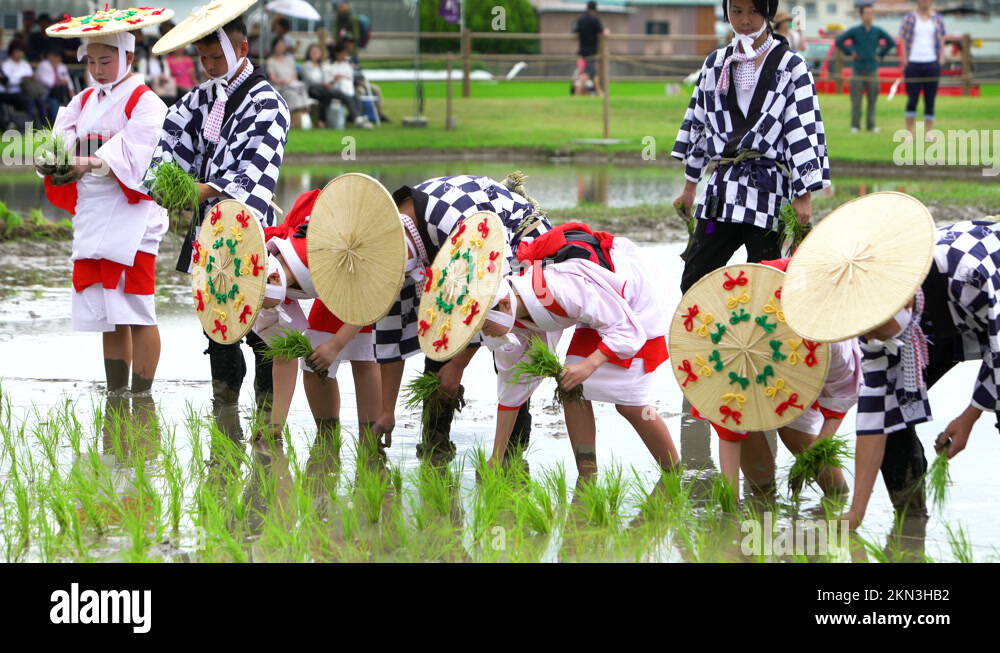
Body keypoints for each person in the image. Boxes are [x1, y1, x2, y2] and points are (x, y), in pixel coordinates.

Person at [779, 195, 999, 530]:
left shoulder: (967, 275)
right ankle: (910, 518)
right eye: (866, 328)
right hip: (936, 320)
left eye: (879, 325)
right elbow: (874, 417)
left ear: (906, 297)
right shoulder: (872, 322)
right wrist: (855, 513)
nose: (874, 336)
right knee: (894, 420)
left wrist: (969, 416)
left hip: (982, 298)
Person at [147, 15, 291, 439]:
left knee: (261, 328)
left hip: (249, 226)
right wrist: (166, 182)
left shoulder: (268, 103)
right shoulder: (202, 98)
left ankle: (268, 423)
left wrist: (199, 189)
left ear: (242, 51)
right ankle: (224, 417)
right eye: (203, 57)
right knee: (218, 328)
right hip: (208, 226)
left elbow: (253, 174)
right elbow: (171, 138)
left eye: (216, 56)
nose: (208, 65)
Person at [372, 174, 552, 462]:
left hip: (517, 246)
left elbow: (487, 297)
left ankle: (510, 455)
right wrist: (386, 410)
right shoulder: (386, 245)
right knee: (438, 334)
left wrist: (457, 366)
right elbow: (389, 330)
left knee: (510, 347)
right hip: (455, 256)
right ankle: (435, 446)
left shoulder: (452, 221)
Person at [481, 223, 681, 475]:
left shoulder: (563, 290)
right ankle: (587, 473)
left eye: (485, 325)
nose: (484, 334)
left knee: (632, 403)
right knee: (571, 388)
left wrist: (589, 365)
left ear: (505, 306)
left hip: (632, 300)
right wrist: (496, 458)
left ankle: (674, 472)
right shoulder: (516, 318)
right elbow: (512, 388)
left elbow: (625, 330)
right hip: (597, 306)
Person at [36, 28, 169, 398]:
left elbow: (138, 153)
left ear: (128, 57)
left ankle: (142, 396)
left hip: (133, 213)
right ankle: (116, 393)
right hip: (94, 212)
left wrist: (88, 162)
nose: (98, 69)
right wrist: (51, 160)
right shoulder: (83, 100)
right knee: (108, 312)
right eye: (91, 62)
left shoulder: (146, 102)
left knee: (136, 306)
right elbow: (59, 140)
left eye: (105, 61)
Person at [670, 0, 830, 293]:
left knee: (768, 284)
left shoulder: (792, 66)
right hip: (721, 193)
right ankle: (706, 340)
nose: (744, 20)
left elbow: (803, 130)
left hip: (768, 192)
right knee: (694, 281)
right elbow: (699, 125)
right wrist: (690, 187)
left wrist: (803, 195)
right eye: (736, 11)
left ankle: (763, 340)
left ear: (767, 12)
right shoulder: (715, 63)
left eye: (753, 11)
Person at [688, 259, 856, 499]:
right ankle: (763, 499)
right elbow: (731, 435)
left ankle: (838, 500)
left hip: (801, 372)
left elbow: (840, 398)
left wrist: (812, 456)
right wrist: (730, 506)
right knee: (754, 455)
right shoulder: (731, 342)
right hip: (741, 356)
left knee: (801, 439)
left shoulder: (832, 341)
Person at [252, 189, 381, 446]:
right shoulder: (266, 278)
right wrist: (275, 426)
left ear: (276, 279)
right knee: (313, 363)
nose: (260, 309)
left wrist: (336, 345)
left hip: (364, 275)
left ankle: (372, 440)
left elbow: (370, 302)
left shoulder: (329, 256)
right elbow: (284, 354)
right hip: (326, 282)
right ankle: (327, 437)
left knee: (364, 356)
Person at [836, 4, 894, 133]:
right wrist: (850, 52)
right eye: (867, 13)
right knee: (856, 100)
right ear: (861, 15)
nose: (869, 15)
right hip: (857, 69)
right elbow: (839, 41)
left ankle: (871, 125)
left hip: (872, 69)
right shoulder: (855, 31)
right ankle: (855, 126)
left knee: (872, 99)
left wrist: (880, 54)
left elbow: (891, 42)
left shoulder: (877, 31)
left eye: (871, 13)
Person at [899, 0, 946, 140]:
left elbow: (942, 38)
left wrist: (942, 57)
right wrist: (904, 59)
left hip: (932, 62)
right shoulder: (909, 18)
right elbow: (903, 39)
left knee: (930, 99)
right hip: (913, 63)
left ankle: (929, 132)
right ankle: (909, 132)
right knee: (912, 99)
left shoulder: (937, 19)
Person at [328, 41, 371, 128]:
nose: (344, 56)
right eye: (343, 53)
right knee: (349, 98)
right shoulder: (331, 66)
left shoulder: (347, 65)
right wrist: (337, 78)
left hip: (348, 89)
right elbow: (329, 80)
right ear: (337, 54)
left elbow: (350, 78)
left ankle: (359, 118)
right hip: (337, 90)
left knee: (357, 98)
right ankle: (358, 119)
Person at [2, 40, 45, 125]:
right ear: (12, 52)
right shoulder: (6, 64)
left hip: (28, 91)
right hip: (13, 93)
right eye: (17, 51)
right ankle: (30, 128)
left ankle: (44, 127)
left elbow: (31, 76)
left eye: (21, 51)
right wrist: (21, 79)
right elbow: (7, 81)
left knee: (40, 101)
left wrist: (31, 77)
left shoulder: (25, 64)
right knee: (29, 101)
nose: (19, 54)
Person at [266, 37, 310, 113]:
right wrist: (283, 81)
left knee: (302, 90)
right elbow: (272, 77)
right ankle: (292, 117)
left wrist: (290, 82)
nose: (281, 48)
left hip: (291, 85)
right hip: (279, 86)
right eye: (279, 45)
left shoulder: (289, 60)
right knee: (292, 94)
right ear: (274, 47)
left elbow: (294, 76)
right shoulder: (271, 61)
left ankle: (304, 114)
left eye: (283, 46)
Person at [572, 1, 607, 96]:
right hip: (592, 50)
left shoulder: (580, 19)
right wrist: (606, 32)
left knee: (593, 73)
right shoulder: (594, 19)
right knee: (588, 73)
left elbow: (574, 31)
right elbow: (602, 31)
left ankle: (600, 92)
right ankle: (577, 93)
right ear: (595, 9)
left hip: (582, 49)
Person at [36, 47, 75, 122]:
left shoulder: (62, 66)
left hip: (60, 93)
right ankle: (56, 124)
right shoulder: (44, 65)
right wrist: (58, 82)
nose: (57, 59)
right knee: (54, 102)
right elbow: (45, 81)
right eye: (55, 56)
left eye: (59, 57)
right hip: (46, 93)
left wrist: (71, 90)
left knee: (67, 99)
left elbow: (68, 80)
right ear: (49, 56)